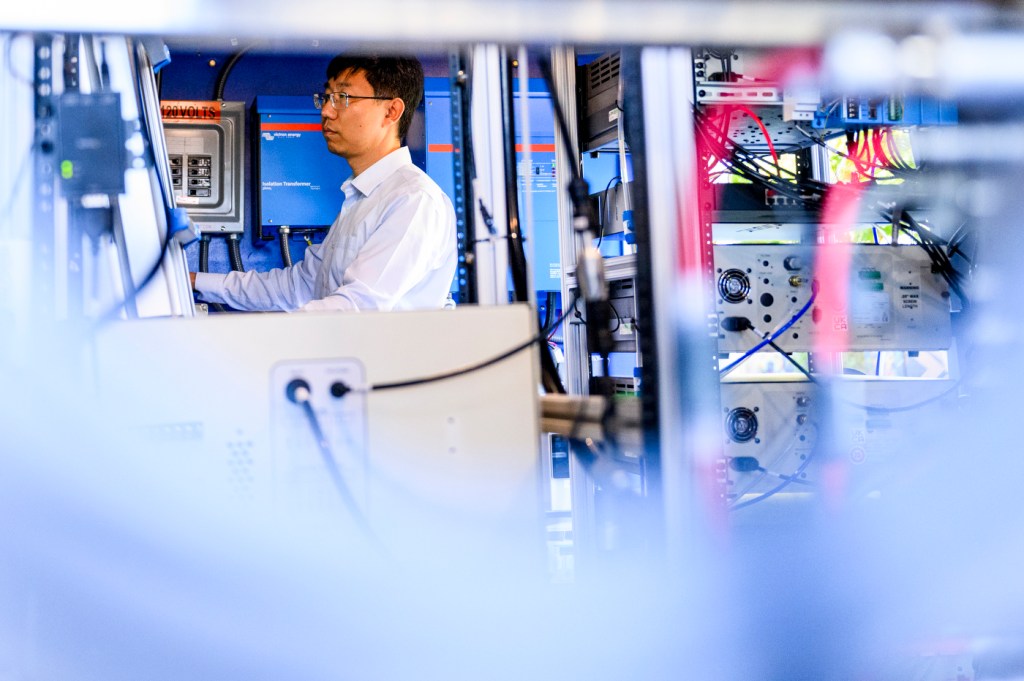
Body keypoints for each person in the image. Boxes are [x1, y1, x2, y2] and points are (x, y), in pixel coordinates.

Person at [191, 54, 457, 312]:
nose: (327, 111)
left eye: (342, 98)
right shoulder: (360, 200)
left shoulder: (413, 200)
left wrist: (252, 338)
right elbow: (296, 286)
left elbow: (357, 307)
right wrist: (195, 282)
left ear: (391, 111)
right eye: (327, 97)